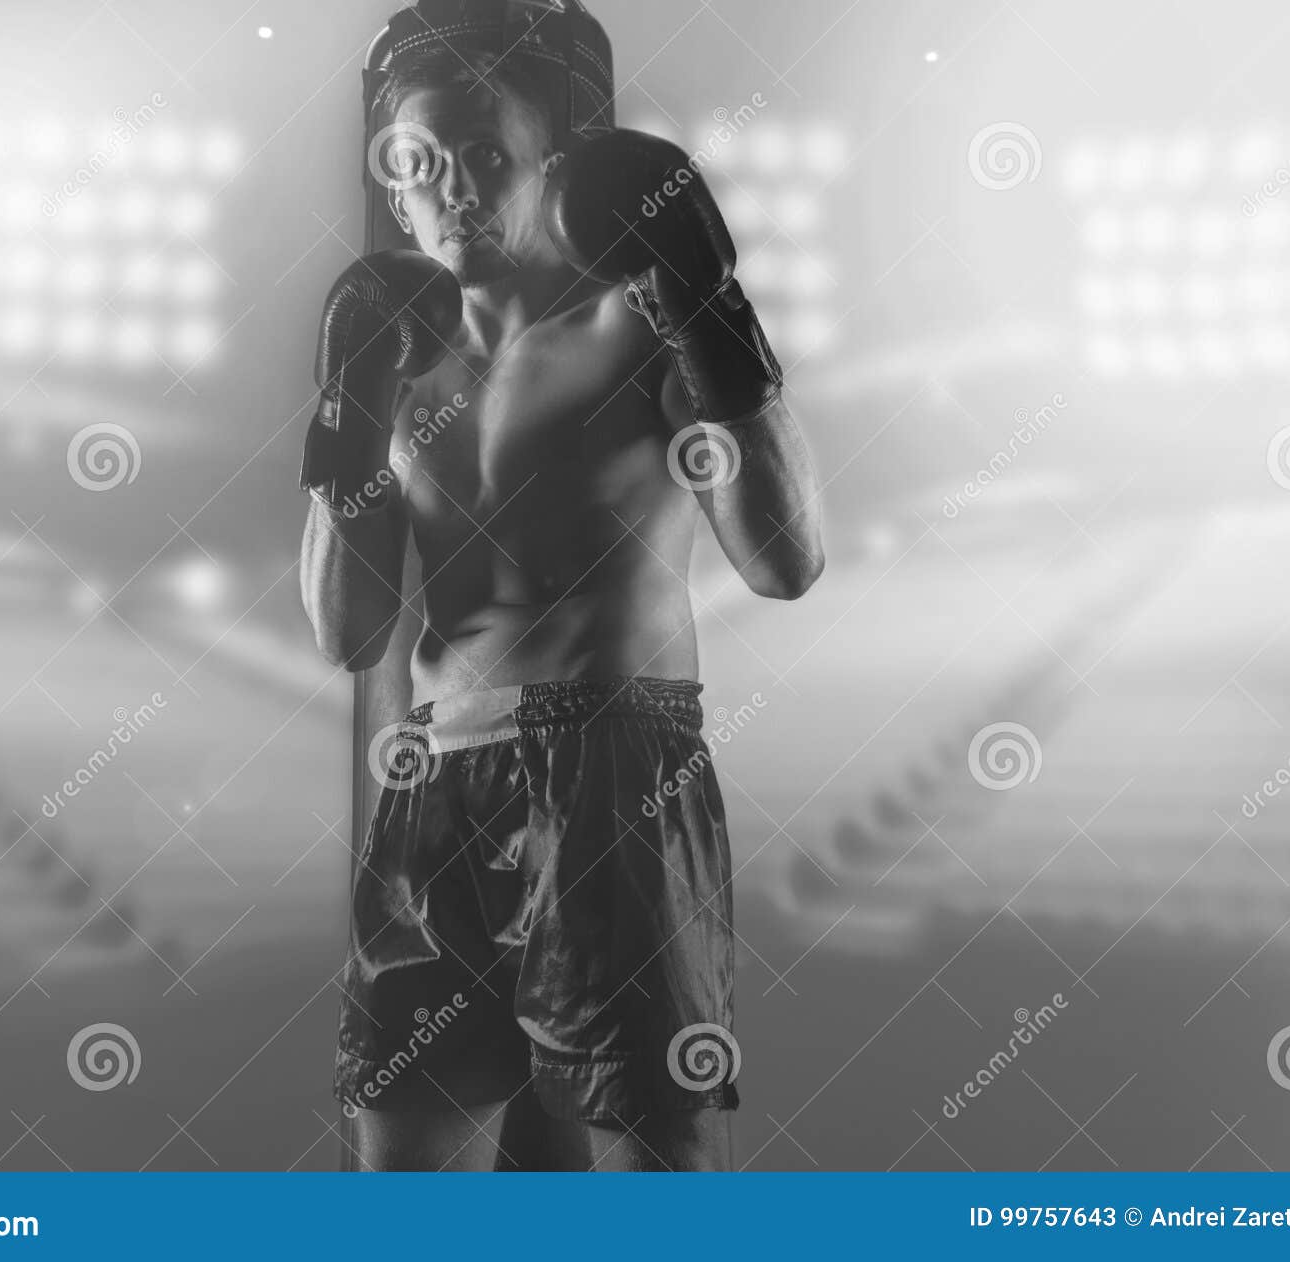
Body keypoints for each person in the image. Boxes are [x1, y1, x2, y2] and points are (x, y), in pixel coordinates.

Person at [299, 0, 824, 1171]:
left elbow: (785, 559)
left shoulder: (635, 324)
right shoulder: (395, 361)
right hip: (431, 784)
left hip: (613, 775)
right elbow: (347, 631)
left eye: (487, 156)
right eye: (422, 163)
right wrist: (342, 425)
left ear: (558, 162)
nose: (453, 191)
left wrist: (711, 310)